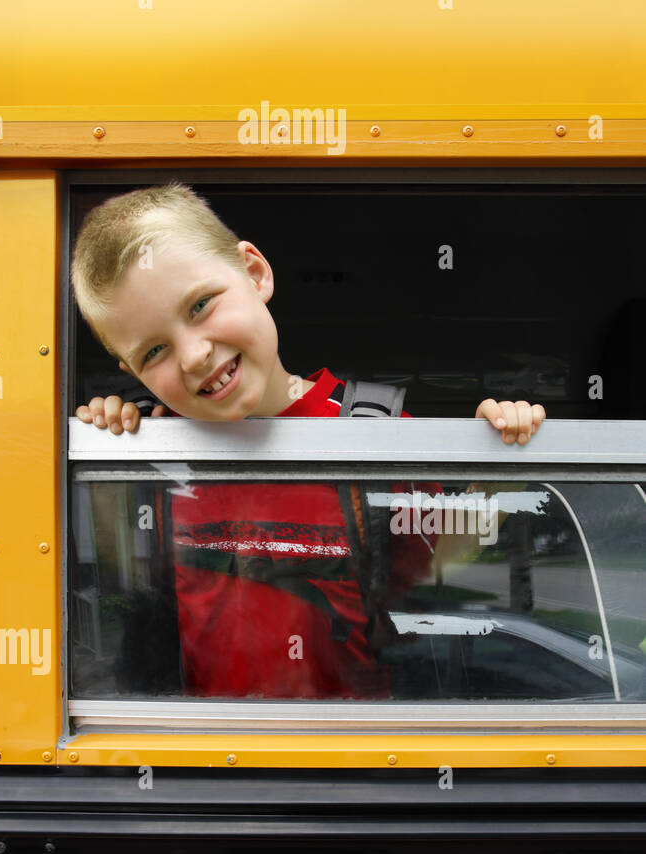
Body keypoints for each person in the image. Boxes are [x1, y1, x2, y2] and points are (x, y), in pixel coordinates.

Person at [70, 183, 545, 698]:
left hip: (356, 752)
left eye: (201, 305)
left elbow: (444, 557)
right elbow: (125, 585)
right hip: (208, 758)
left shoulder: (374, 433)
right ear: (133, 372)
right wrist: (110, 441)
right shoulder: (157, 454)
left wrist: (500, 456)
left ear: (254, 273)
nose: (193, 356)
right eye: (155, 351)